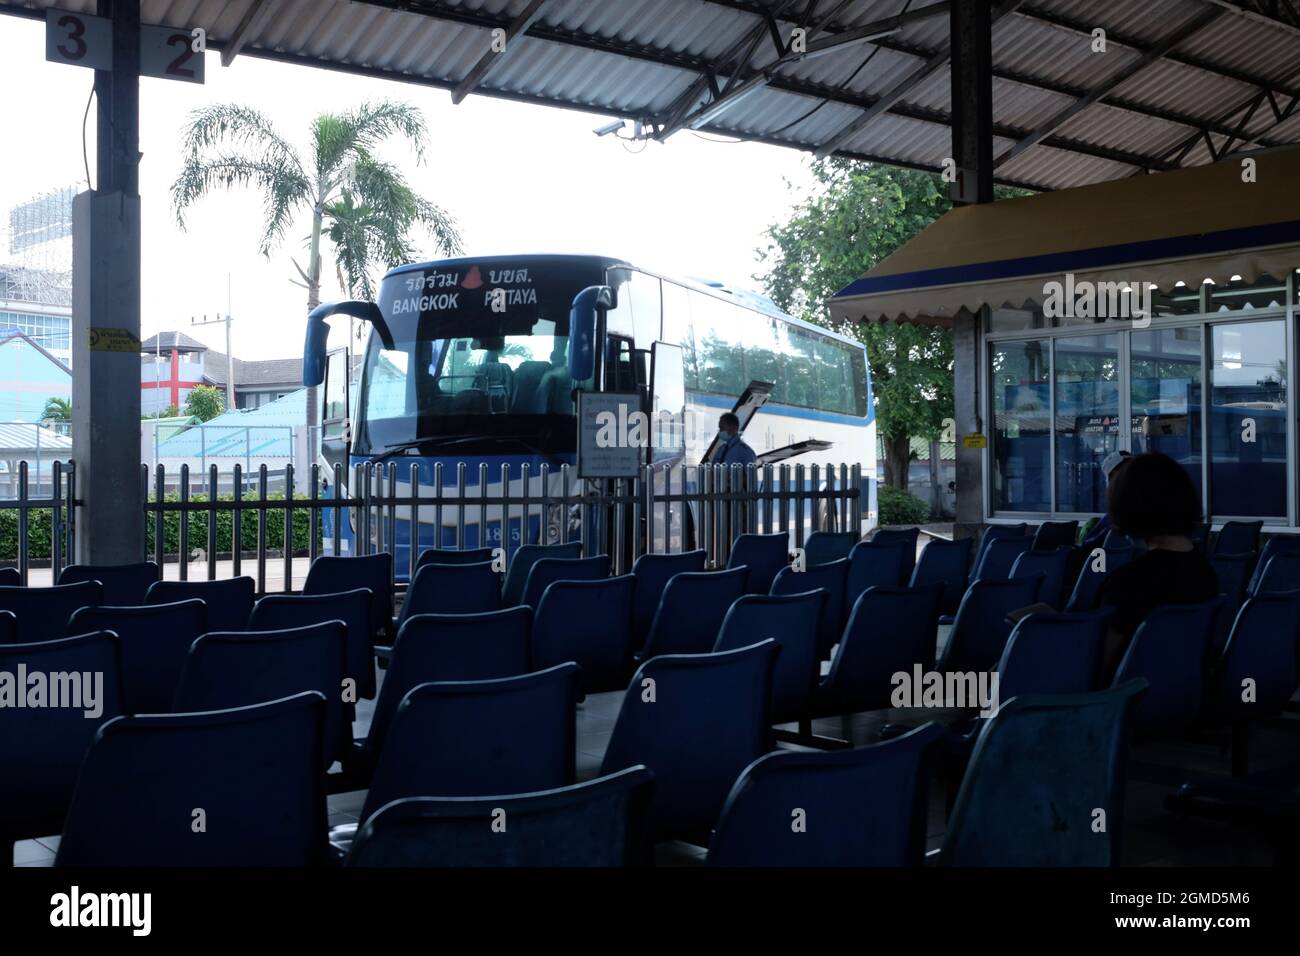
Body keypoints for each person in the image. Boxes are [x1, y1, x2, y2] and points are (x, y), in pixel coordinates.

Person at [1095, 452, 1219, 676]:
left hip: (1127, 705)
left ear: (1128, 507)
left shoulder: (1128, 583)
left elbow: (1096, 664)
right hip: (1184, 701)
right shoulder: (1206, 573)